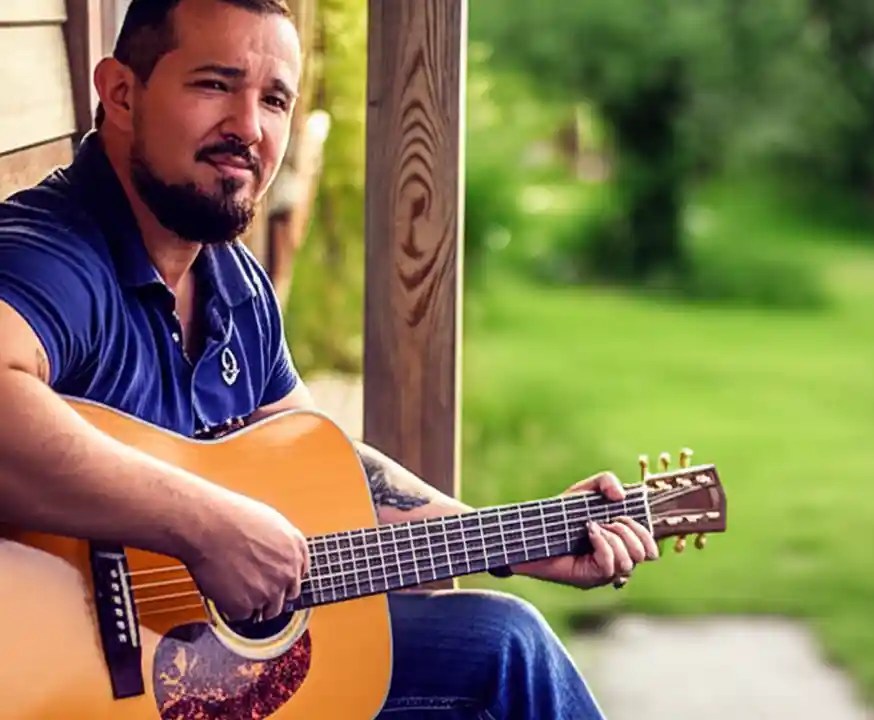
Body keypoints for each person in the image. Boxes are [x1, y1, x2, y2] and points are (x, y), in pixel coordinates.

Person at [0, 1, 655, 717]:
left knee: (502, 643)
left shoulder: (232, 282)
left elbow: (328, 472)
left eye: (274, 99)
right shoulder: (52, 251)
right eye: (215, 85)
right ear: (121, 93)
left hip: (183, 675)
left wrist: (513, 539)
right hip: (53, 689)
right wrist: (207, 525)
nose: (249, 129)